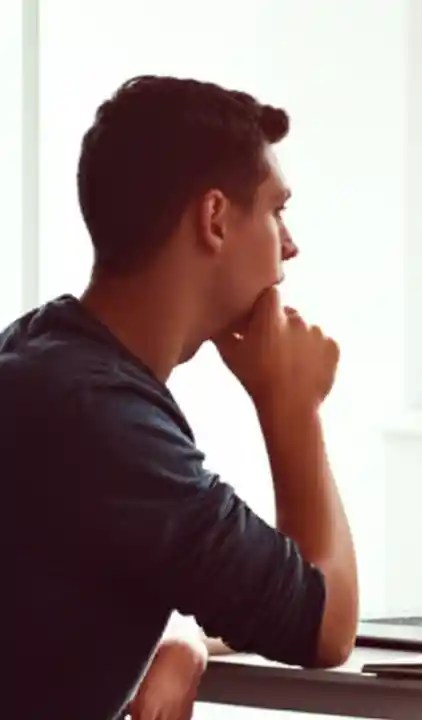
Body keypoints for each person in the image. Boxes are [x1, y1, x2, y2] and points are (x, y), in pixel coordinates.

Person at [0, 75, 359, 719]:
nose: (290, 246)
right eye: (277, 210)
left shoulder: (40, 354)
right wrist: (291, 406)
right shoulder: (101, 420)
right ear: (215, 217)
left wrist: (175, 633)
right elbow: (325, 625)